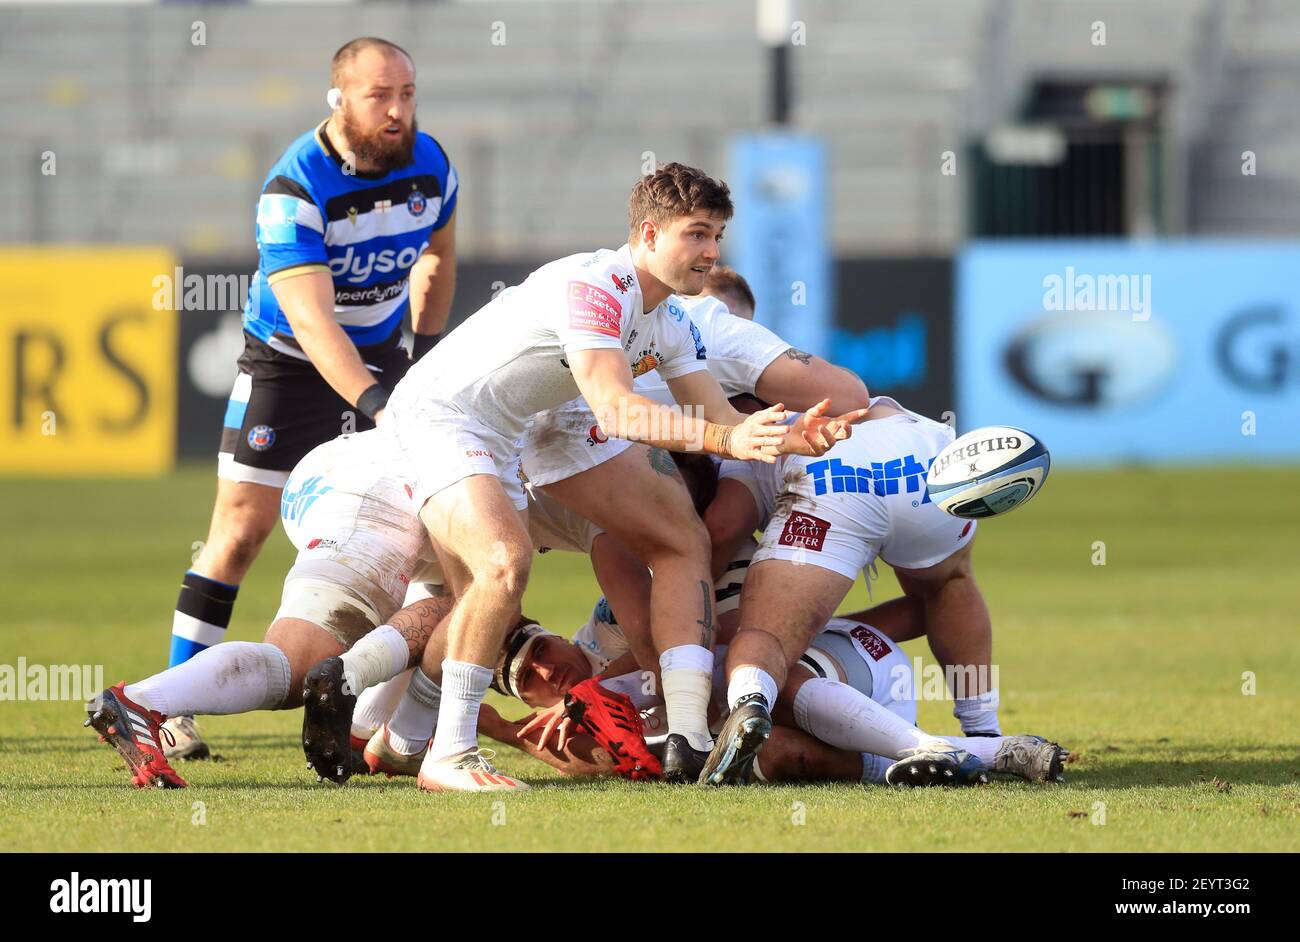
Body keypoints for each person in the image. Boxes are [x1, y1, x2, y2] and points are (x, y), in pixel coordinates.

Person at [305, 162, 865, 793]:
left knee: (510, 592)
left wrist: (783, 438)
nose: (711, 252)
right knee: (503, 565)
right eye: (697, 234)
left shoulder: (669, 318)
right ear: (649, 234)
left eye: (717, 238)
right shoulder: (596, 286)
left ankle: (410, 738)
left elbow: (718, 414)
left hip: (519, 429)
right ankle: (446, 753)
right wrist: (727, 437)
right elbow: (618, 409)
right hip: (442, 416)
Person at [161, 37, 458, 761]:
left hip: (385, 361)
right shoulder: (293, 188)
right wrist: (385, 403)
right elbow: (314, 324)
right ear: (339, 99)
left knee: (422, 539)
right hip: (289, 366)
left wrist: (426, 360)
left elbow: (439, 258)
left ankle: (386, 722)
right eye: (378, 96)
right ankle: (172, 707)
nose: (397, 111)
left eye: (408, 94)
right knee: (237, 535)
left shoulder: (434, 164)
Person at [701, 397, 1006, 785]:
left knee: (766, 642)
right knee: (949, 585)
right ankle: (985, 732)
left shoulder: (729, 434)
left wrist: (683, 575)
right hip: (922, 453)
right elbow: (919, 610)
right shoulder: (773, 371)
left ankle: (751, 702)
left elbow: (724, 527)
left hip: (830, 480)